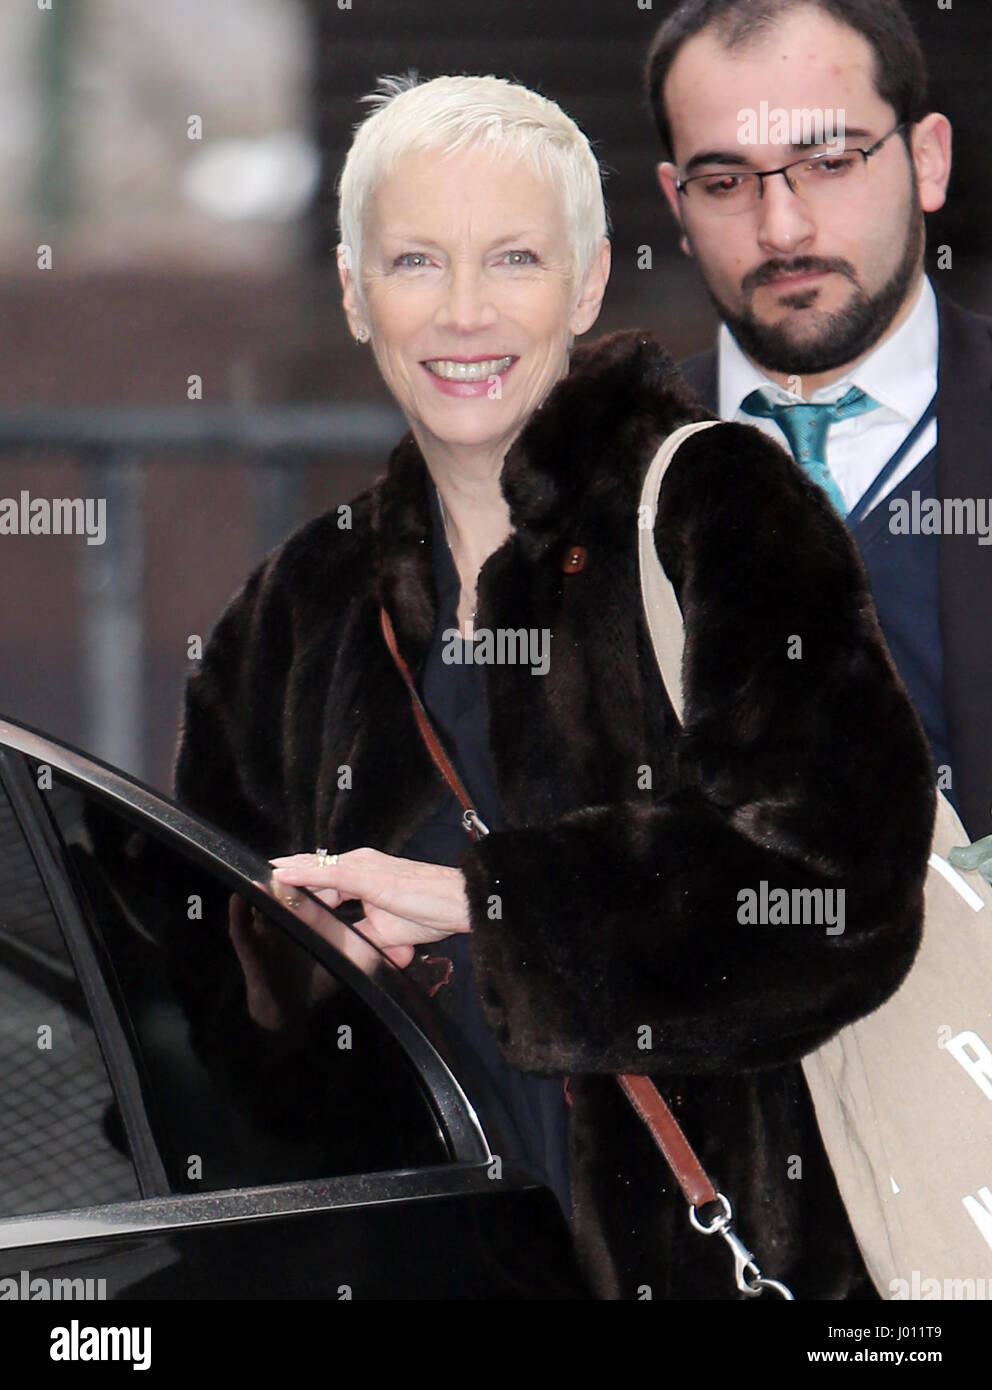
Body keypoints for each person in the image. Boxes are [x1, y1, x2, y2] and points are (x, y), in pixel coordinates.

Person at [173, 73, 934, 1299]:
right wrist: (292, 970)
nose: (464, 313)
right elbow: (199, 1021)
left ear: (583, 283)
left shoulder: (708, 504)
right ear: (357, 292)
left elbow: (841, 893)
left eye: (512, 259)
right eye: (416, 262)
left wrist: (491, 905)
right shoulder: (298, 603)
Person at [646, 0, 992, 840]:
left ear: (928, 158)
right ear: (677, 204)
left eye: (830, 162)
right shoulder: (612, 468)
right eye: (725, 183)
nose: (782, 228)